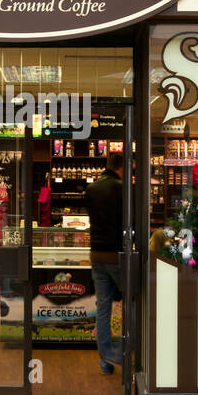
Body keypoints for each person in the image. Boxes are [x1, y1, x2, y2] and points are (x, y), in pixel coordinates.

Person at [85, 151, 125, 375]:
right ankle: (124, 351)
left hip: (96, 254)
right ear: (121, 166)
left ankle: (105, 360)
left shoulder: (92, 189)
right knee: (130, 302)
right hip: (117, 255)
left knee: (103, 309)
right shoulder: (121, 188)